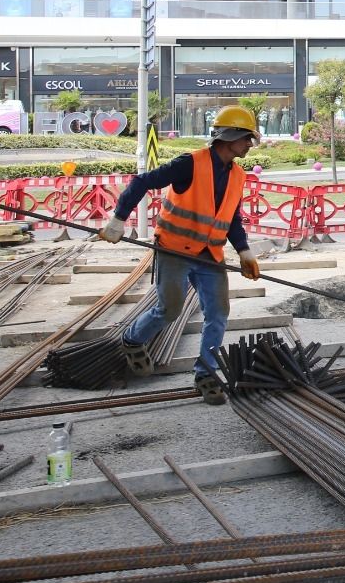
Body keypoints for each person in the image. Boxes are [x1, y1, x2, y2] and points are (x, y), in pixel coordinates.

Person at [98, 105, 263, 404]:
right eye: (247, 138)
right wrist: (118, 219)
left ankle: (206, 373)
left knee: (218, 314)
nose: (250, 145)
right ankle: (133, 339)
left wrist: (245, 252)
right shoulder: (190, 163)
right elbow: (141, 182)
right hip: (174, 249)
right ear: (230, 137)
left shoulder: (237, 175)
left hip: (209, 254)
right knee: (170, 310)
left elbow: (231, 218)